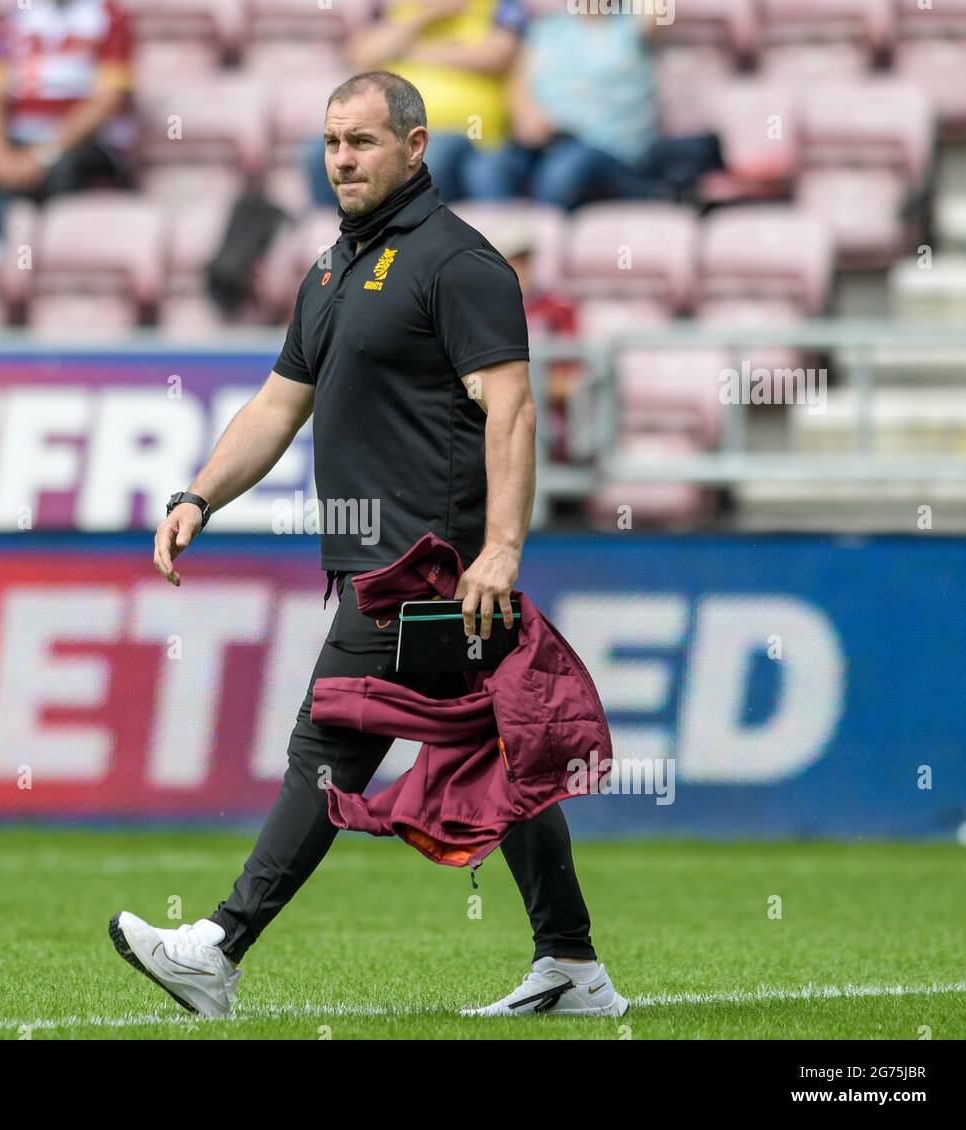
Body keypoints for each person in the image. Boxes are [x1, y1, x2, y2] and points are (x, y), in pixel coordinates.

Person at [111, 71, 628, 1021]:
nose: (342, 159)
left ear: (417, 146)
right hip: (387, 567)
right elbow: (278, 404)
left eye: (362, 142)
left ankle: (218, 946)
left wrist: (502, 550)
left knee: (329, 742)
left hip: (432, 573)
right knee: (502, 755)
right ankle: (573, 966)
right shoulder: (331, 266)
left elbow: (509, 412)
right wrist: (200, 495)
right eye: (332, 142)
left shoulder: (461, 265)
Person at [488, 5, 722, 209]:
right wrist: (529, 118)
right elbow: (519, 89)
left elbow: (657, 10)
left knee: (563, 176)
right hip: (548, 144)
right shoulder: (547, 30)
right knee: (491, 170)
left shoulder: (632, 25)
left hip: (608, 151)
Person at [304, 0, 528, 206]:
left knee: (430, 158)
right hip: (389, 129)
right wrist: (427, 15)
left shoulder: (493, 6)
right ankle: (346, 240)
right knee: (318, 153)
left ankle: (415, 240)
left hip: (469, 135)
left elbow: (498, 56)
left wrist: (410, 52)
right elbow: (361, 55)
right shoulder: (398, 9)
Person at [0, 0, 136, 201]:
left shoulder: (109, 15)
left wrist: (44, 154)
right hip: (19, 139)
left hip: (78, 143)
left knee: (63, 172)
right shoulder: (17, 14)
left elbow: (109, 99)